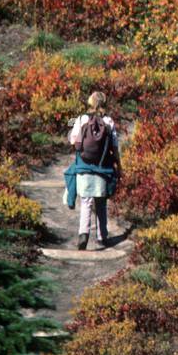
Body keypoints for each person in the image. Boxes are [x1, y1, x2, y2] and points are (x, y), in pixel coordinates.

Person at [65, 91, 121, 251]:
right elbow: (115, 147)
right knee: (101, 202)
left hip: (84, 166)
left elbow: (73, 140)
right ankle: (102, 236)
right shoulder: (109, 121)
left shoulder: (81, 119)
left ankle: (83, 234)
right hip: (103, 168)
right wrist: (119, 166)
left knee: (86, 202)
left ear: (90, 102)